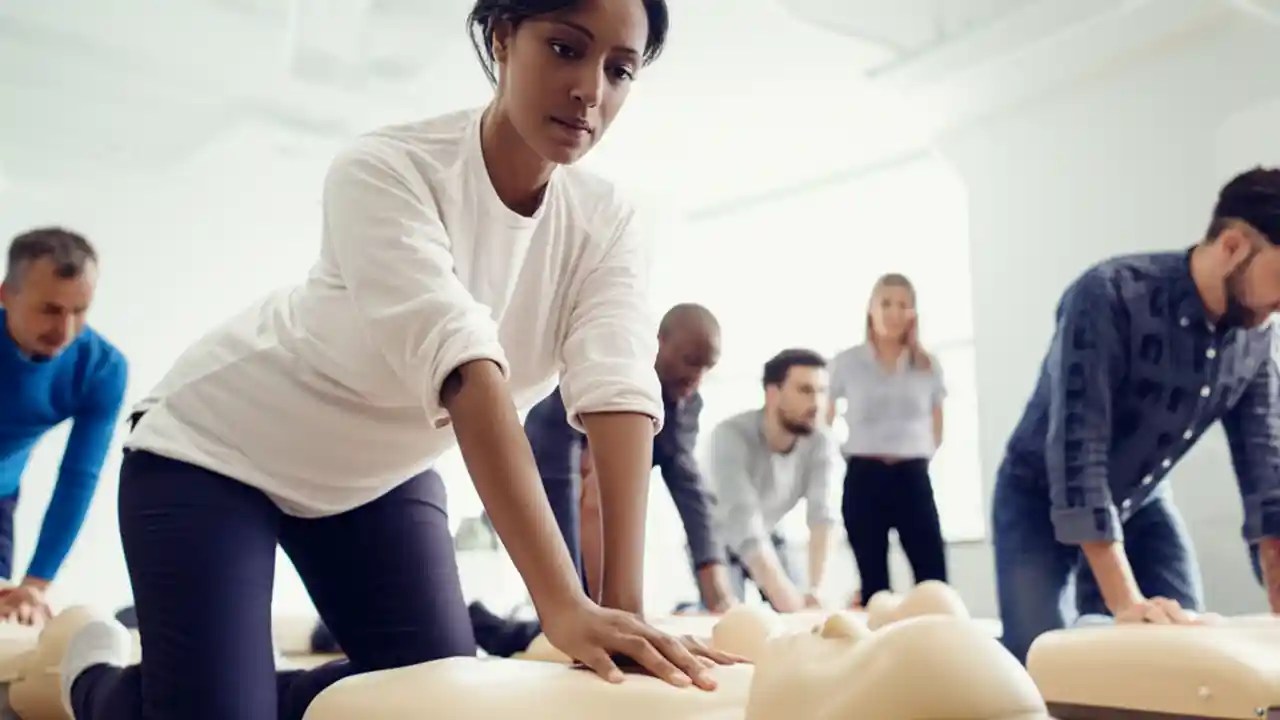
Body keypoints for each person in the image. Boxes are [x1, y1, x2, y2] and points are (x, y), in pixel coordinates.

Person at [56, 2, 742, 719]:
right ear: (503, 38)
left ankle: (250, 694)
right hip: (217, 451)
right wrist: (562, 604)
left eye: (619, 69)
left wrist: (620, 609)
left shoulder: (608, 220)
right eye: (566, 48)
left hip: (374, 479)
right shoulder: (386, 169)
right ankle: (94, 681)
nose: (591, 90)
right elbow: (469, 372)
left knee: (435, 704)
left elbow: (617, 386)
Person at [993, 167, 1280, 665]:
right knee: (1040, 663)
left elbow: (1268, 478)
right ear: (1233, 246)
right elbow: (1079, 452)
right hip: (1035, 497)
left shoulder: (1256, 338)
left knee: (1188, 657)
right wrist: (1125, 602)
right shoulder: (1108, 295)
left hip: (1141, 500)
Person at [467, 303, 731, 657]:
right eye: (688, 361)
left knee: (605, 617)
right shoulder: (583, 384)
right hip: (551, 470)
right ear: (658, 342)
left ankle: (494, 627)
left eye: (706, 368)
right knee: (579, 612)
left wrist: (713, 580)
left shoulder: (687, 403)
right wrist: (570, 600)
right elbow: (562, 484)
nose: (695, 378)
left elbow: (689, 488)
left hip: (592, 491)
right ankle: (493, 628)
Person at [0, 228, 127, 625]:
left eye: (80, 310)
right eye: (50, 310)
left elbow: (78, 478)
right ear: (5, 295)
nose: (66, 330)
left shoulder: (102, 369)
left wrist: (36, 583)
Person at [827, 273, 948, 604]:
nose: (894, 312)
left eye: (903, 305)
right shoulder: (847, 363)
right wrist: (845, 452)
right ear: (871, 308)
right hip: (865, 477)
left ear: (913, 312)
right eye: (886, 303)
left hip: (913, 476)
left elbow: (937, 426)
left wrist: (915, 452)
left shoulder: (928, 366)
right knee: (874, 586)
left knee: (934, 581)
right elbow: (825, 418)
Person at [704, 349, 841, 611]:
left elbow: (822, 516)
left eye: (822, 391)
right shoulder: (728, 436)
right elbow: (743, 520)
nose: (817, 403)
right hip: (716, 539)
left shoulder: (822, 442)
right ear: (772, 393)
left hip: (768, 533)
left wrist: (815, 591)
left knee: (804, 606)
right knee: (730, 619)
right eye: (805, 390)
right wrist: (790, 603)